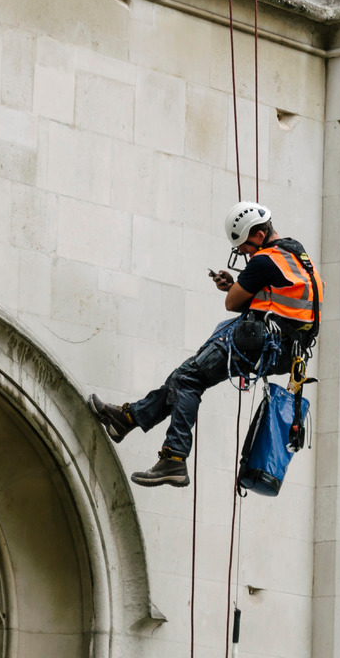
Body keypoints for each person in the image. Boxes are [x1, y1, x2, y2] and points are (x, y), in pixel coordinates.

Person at [89, 202, 324, 488]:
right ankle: (127, 419)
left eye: (245, 245)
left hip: (260, 342)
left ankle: (174, 459)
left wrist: (235, 289)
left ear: (260, 235)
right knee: (184, 378)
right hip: (285, 351)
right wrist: (238, 285)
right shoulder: (298, 255)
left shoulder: (265, 260)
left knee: (188, 379)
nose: (244, 252)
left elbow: (232, 303)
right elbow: (281, 303)